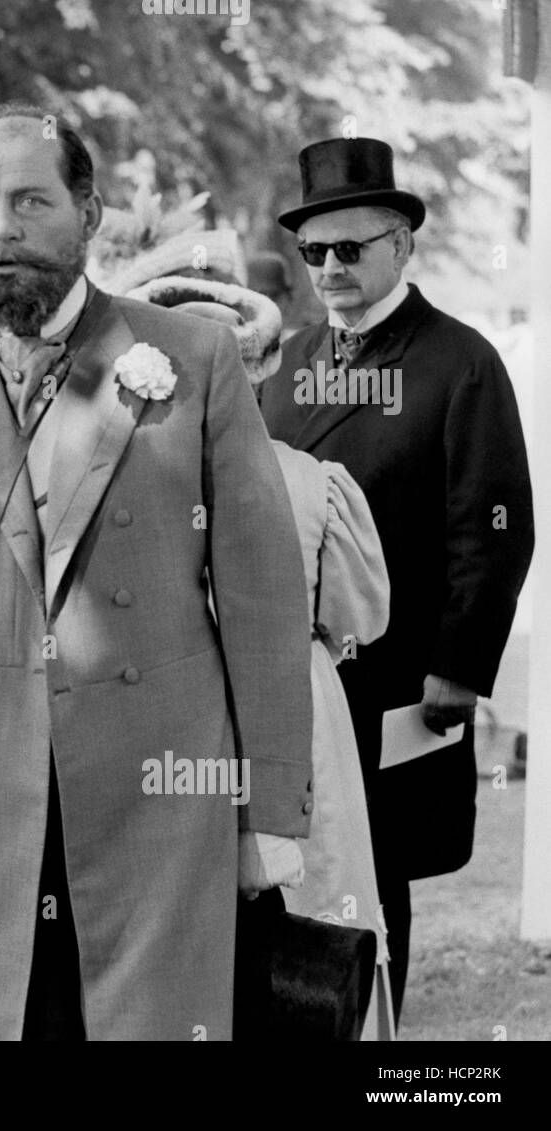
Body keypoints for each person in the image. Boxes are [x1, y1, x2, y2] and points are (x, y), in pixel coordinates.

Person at [0, 105, 314, 1041]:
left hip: (160, 788)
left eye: (30, 201)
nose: (1, 228)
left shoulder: (191, 356)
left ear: (88, 213)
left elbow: (262, 593)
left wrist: (271, 807)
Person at [261, 137, 535, 1024]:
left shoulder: (462, 361)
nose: (330, 268)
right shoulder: (287, 362)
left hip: (397, 675)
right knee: (286, 869)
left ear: (401, 247)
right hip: (290, 680)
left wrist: (458, 672)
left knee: (376, 875)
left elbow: (494, 530)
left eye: (351, 248)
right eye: (314, 252)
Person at [132, 263, 395, 1038]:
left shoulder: (118, 483)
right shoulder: (309, 479)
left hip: (162, 702)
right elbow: (361, 616)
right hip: (295, 698)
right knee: (311, 904)